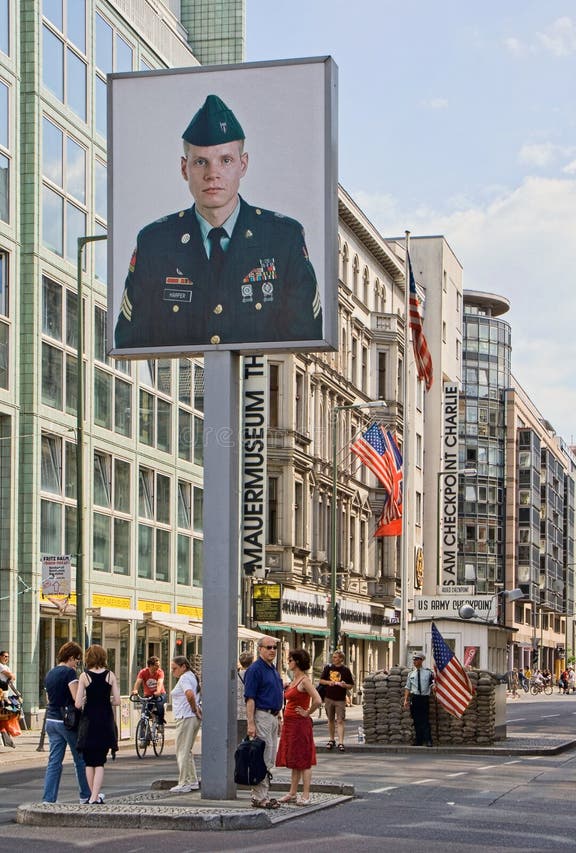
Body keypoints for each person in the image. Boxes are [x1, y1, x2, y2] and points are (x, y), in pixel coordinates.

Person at [114, 94, 323, 350]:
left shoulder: (283, 238)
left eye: (225, 161)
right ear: (184, 168)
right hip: (187, 389)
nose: (213, 174)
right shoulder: (155, 243)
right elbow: (130, 341)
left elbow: (305, 340)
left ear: (242, 165)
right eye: (201, 162)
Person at [42, 642, 91, 803]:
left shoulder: (50, 673)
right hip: (67, 722)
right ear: (70, 657)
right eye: (77, 660)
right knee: (80, 759)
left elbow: (49, 698)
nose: (77, 663)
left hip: (51, 719)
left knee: (54, 761)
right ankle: (86, 795)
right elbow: (76, 699)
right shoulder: (69, 673)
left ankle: (48, 799)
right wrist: (86, 697)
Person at [74, 644, 120, 804]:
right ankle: (95, 796)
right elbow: (118, 701)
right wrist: (106, 699)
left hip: (89, 721)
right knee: (100, 761)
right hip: (105, 720)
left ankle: (91, 796)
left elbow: (78, 704)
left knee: (89, 762)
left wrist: (87, 698)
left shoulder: (84, 677)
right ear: (103, 657)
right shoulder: (110, 675)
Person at [275, 648, 322, 806]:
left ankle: (306, 794)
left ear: (297, 662)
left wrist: (307, 712)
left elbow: (317, 699)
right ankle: (292, 792)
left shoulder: (304, 681)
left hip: (300, 724)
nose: (288, 662)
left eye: (290, 660)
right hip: (290, 724)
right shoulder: (294, 680)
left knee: (303, 759)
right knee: (294, 759)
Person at [244, 635, 284, 809]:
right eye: (268, 647)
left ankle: (263, 794)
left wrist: (279, 717)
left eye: (275, 647)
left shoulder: (272, 668)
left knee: (270, 758)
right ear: (259, 649)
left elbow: (276, 694)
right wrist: (251, 723)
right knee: (262, 757)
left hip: (273, 716)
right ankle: (259, 797)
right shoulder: (255, 669)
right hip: (261, 715)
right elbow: (250, 698)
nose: (272, 650)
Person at [169, 655, 202, 793]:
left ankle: (184, 782)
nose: (172, 671)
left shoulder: (184, 678)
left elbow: (189, 694)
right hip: (190, 717)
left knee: (182, 750)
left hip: (185, 716)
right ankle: (192, 780)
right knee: (186, 750)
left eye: (174, 668)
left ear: (183, 666)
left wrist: (194, 709)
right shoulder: (191, 676)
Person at [318, 650, 354, 752]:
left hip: (340, 699)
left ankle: (341, 742)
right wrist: (329, 682)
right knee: (330, 720)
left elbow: (351, 685)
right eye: (333, 657)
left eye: (335, 657)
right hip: (329, 697)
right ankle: (331, 739)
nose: (333, 659)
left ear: (341, 659)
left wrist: (344, 685)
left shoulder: (345, 670)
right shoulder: (328, 668)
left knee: (340, 720)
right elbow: (321, 680)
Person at [403, 652, 434, 747]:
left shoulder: (429, 673)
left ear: (421, 660)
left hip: (424, 698)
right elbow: (408, 687)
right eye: (414, 660)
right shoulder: (411, 674)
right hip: (415, 698)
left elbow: (432, 685)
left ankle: (428, 740)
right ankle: (418, 740)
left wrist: (434, 689)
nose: (414, 661)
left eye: (416, 659)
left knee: (425, 720)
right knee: (416, 720)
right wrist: (406, 700)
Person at [131, 655, 166, 726]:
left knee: (159, 705)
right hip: (148, 695)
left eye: (159, 665)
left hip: (160, 693)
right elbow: (138, 682)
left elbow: (160, 682)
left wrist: (158, 691)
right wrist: (135, 690)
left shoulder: (160, 672)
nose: (158, 667)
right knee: (144, 713)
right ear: (150, 665)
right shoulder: (143, 672)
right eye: (156, 665)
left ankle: (160, 723)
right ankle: (143, 734)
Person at [237, 651, 254, 742]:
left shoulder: (235, 676)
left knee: (239, 742)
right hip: (250, 714)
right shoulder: (253, 675)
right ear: (252, 662)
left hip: (237, 713)